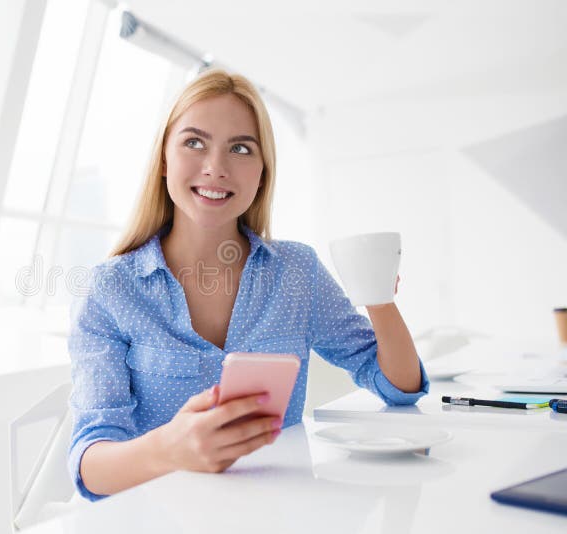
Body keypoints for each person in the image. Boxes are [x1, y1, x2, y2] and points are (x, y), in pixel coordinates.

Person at [67, 68, 428, 501]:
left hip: (274, 514)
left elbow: (397, 386)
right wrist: (170, 449)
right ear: (164, 160)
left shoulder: (297, 271)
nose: (216, 167)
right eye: (194, 142)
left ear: (262, 174)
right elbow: (90, 468)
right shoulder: (112, 288)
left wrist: (378, 297)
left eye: (240, 148)